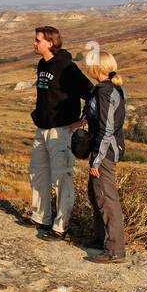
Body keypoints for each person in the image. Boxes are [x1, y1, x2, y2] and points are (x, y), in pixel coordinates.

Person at [24, 26, 91, 237]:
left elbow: (91, 92)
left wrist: (83, 121)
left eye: (37, 40)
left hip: (61, 131)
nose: (34, 43)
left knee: (62, 178)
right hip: (42, 129)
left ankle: (61, 226)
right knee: (38, 173)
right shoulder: (42, 63)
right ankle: (41, 218)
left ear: (50, 43)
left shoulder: (67, 68)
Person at [82, 49, 127, 262]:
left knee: (107, 199)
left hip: (105, 152)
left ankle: (115, 250)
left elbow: (107, 129)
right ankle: (100, 239)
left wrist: (97, 160)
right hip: (102, 149)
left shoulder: (106, 92)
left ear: (97, 67)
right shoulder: (108, 88)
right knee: (96, 194)